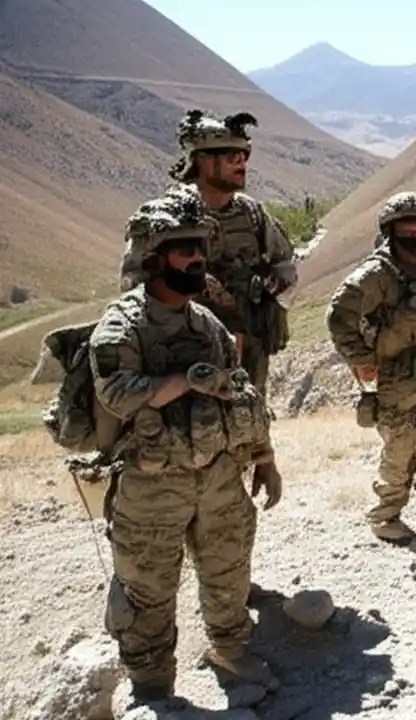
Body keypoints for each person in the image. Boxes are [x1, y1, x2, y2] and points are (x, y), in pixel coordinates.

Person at [95, 187, 282, 706]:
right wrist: (183, 381)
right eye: (184, 249)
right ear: (153, 259)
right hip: (152, 485)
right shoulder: (122, 325)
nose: (198, 257)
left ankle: (230, 651)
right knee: (149, 593)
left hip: (219, 477)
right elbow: (113, 393)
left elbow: (242, 394)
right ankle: (154, 689)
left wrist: (264, 458)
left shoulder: (209, 323)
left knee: (228, 571)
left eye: (200, 246)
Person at [123, 109, 297, 394]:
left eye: (244, 155)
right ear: (201, 160)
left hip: (247, 355)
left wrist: (264, 291)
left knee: (248, 426)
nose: (240, 162)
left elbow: (284, 265)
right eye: (230, 155)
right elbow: (132, 284)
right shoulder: (164, 217)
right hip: (184, 357)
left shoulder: (252, 214)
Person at [327, 192, 416, 535]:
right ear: (392, 230)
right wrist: (363, 362)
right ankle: (386, 517)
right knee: (398, 454)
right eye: (409, 225)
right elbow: (339, 317)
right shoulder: (376, 277)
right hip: (392, 385)